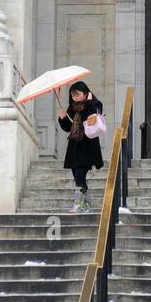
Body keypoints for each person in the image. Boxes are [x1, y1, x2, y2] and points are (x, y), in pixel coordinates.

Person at [57, 81, 104, 213]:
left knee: (79, 174)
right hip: (75, 145)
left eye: (77, 94)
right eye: (73, 95)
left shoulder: (95, 103)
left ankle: (79, 204)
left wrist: (89, 103)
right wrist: (62, 119)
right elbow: (67, 128)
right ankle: (86, 203)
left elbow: (93, 118)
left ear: (85, 93)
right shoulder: (72, 107)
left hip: (88, 144)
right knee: (76, 174)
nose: (75, 98)